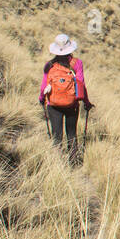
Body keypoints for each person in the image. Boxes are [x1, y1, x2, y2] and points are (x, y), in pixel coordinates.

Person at [39, 33, 93, 163]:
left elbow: (43, 86)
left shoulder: (49, 65)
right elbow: (81, 84)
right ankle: (73, 162)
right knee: (71, 133)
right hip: (72, 104)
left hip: (53, 104)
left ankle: (57, 163)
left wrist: (42, 99)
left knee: (56, 135)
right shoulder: (77, 63)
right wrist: (86, 102)